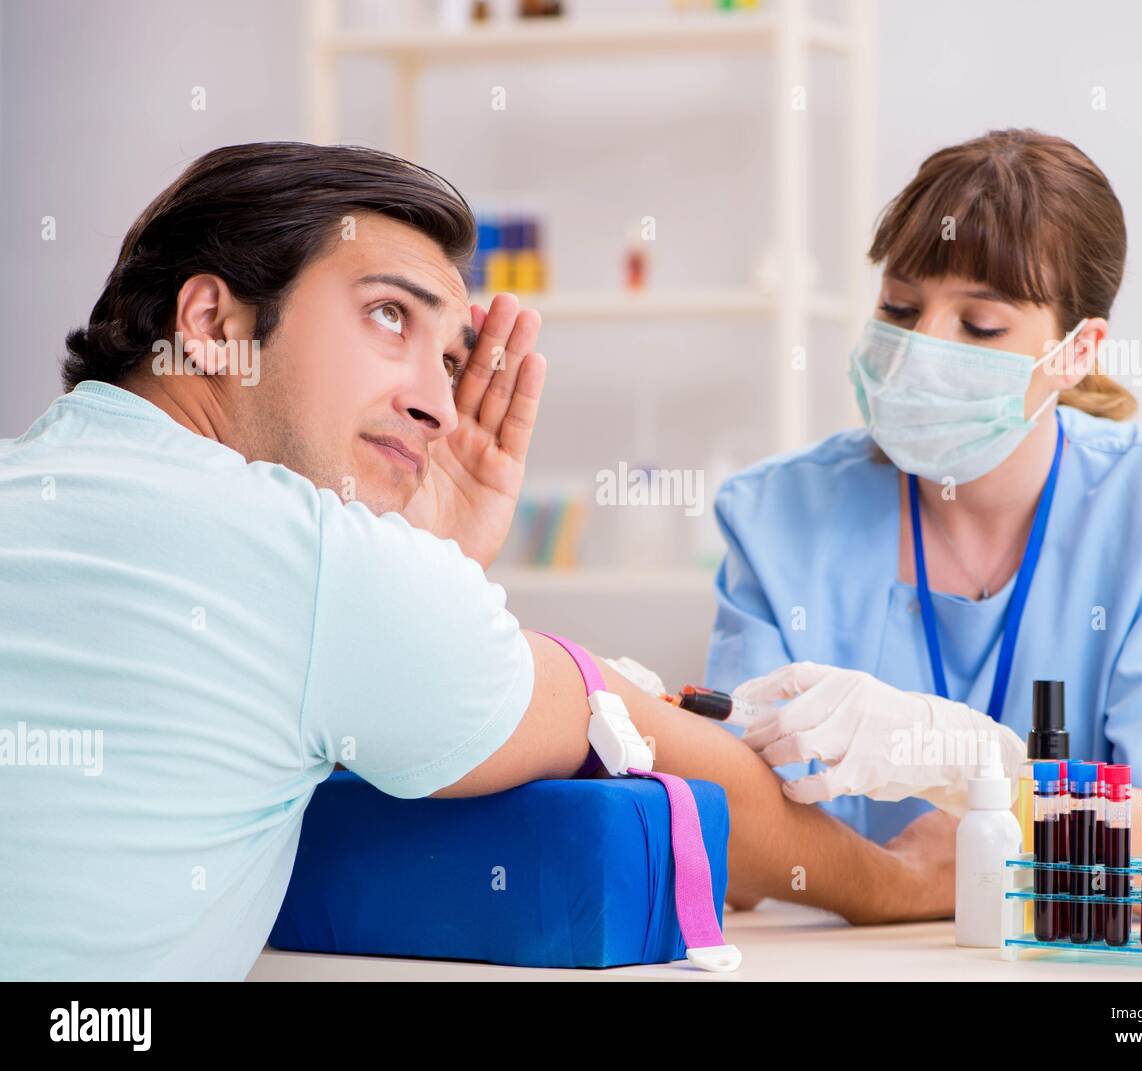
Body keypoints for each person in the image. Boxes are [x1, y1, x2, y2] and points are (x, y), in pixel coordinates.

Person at [0, 142, 954, 981]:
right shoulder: (311, 559)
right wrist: (907, 878)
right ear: (210, 322)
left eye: (451, 361)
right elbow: (649, 738)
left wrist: (422, 564)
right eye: (386, 317)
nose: (441, 409)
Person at [707, 129, 1142, 846]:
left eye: (981, 324)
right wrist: (907, 883)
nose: (921, 351)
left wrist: (972, 766)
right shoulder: (775, 516)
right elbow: (736, 838)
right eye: (900, 309)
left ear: (1076, 351)